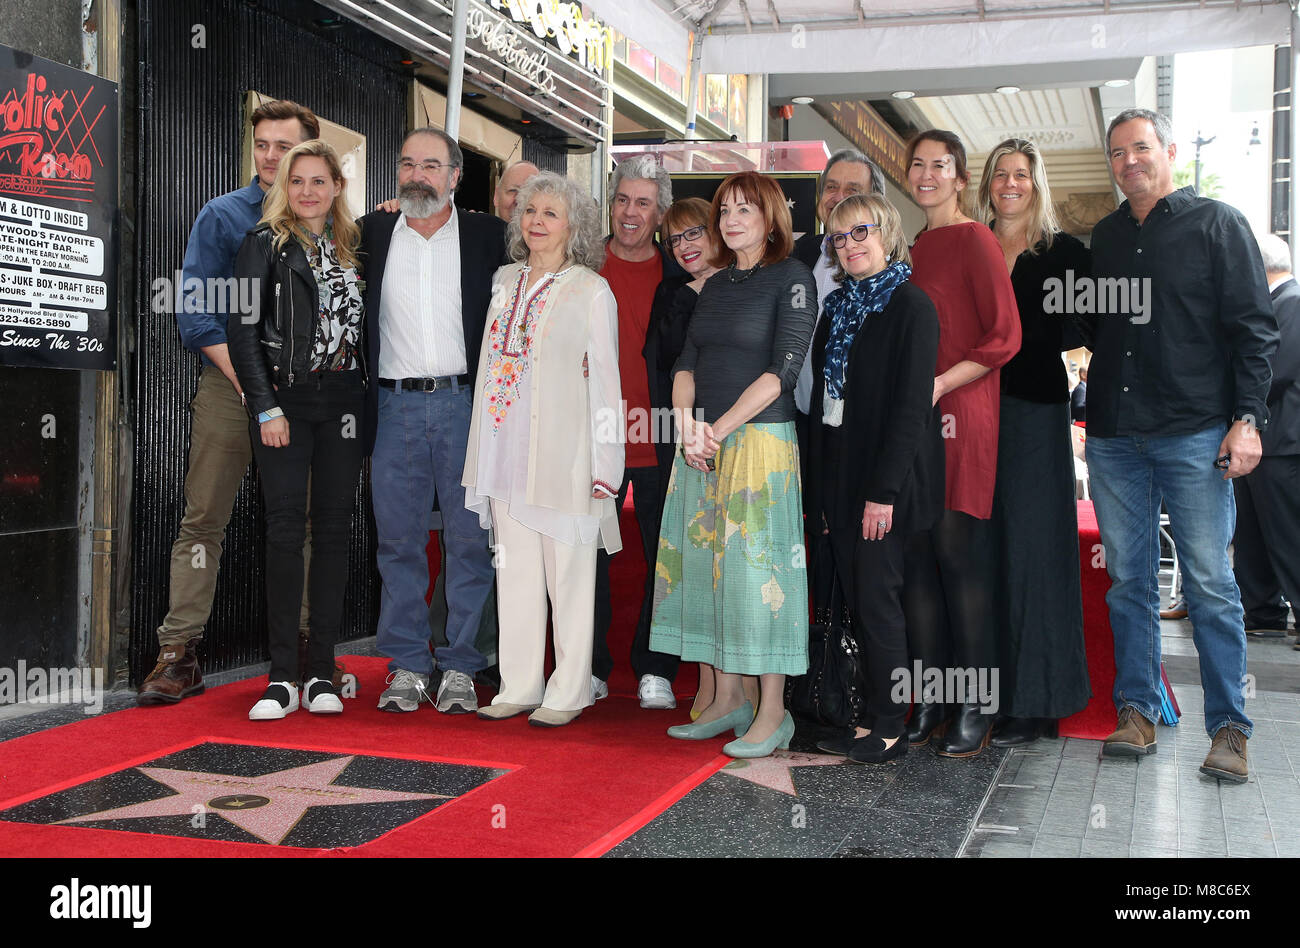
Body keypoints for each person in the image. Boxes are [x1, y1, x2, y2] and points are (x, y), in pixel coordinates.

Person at [1087, 108, 1278, 782]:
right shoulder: (1103, 239)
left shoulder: (1218, 226)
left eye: (1140, 148)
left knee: (1210, 585)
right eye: (1117, 153)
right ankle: (1137, 711)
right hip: (1113, 439)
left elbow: (1255, 330)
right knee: (1129, 582)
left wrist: (1247, 419)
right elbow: (1089, 328)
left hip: (1197, 433)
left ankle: (1230, 729)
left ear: (1168, 150)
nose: (1129, 161)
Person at [139, 100, 320, 705]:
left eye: (283, 146)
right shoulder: (223, 216)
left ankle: (304, 652)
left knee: (301, 521)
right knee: (202, 520)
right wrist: (249, 383)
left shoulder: (326, 219)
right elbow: (194, 310)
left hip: (303, 396)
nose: (270, 156)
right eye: (262, 145)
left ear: (310, 152)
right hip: (230, 387)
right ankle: (179, 653)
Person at [651, 171, 817, 759]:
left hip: (761, 450)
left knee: (758, 581)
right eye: (725, 210)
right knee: (704, 572)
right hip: (703, 446)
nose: (731, 220)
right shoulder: (716, 286)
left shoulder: (793, 279)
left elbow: (782, 374)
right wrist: (687, 425)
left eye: (745, 209)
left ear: (771, 217)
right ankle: (726, 701)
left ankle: (772, 711)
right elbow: (687, 362)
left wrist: (715, 430)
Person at [463, 171, 623, 727]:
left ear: (573, 225)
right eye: (530, 211)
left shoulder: (591, 289)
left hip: (566, 453)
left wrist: (608, 464)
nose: (536, 222)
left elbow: (606, 380)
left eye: (551, 213)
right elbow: (490, 369)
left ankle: (570, 689)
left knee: (570, 575)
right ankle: (519, 683)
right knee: (515, 571)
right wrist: (479, 447)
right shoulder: (504, 280)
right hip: (503, 448)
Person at [359, 128, 508, 715]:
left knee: (470, 541)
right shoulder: (369, 234)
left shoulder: (489, 237)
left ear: (454, 176)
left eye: (431, 165)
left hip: (465, 406)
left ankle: (462, 667)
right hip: (392, 407)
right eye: (407, 163)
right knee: (397, 543)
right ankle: (406, 665)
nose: (417, 174)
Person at [228, 139, 365, 719]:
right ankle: (281, 679)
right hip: (284, 400)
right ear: (285, 186)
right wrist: (265, 406)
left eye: (319, 180)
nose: (308, 191)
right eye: (298, 180)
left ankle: (321, 674)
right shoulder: (261, 244)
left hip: (345, 402)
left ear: (337, 186)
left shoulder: (357, 249)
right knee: (285, 532)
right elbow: (243, 331)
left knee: (334, 533)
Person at [805, 193, 943, 764]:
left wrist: (881, 494)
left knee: (879, 601)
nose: (850, 245)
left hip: (887, 482)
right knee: (856, 601)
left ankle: (891, 722)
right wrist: (817, 491)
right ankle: (866, 714)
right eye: (839, 237)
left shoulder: (913, 307)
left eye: (860, 232)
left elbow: (911, 410)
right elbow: (821, 402)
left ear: (887, 233)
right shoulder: (837, 307)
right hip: (839, 473)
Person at [903, 129, 1021, 757]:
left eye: (939, 166)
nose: (926, 175)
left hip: (963, 412)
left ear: (959, 176)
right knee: (918, 564)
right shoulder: (910, 246)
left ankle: (979, 701)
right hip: (912, 424)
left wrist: (941, 384)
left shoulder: (976, 239)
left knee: (959, 559)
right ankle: (931, 699)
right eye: (917, 165)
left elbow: (1004, 337)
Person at [976, 138, 1091, 746]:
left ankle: (1039, 700)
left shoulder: (1065, 252)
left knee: (1036, 555)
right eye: (1001, 174)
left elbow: (1092, 325)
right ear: (987, 183)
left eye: (1021, 174)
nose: (1011, 183)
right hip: (969, 413)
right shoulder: (971, 244)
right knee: (981, 555)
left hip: (1034, 414)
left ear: (1036, 181)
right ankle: (985, 699)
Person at [645, 197, 758, 721]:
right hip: (690, 441)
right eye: (675, 240)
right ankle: (715, 691)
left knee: (742, 568)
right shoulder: (671, 297)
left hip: (751, 436)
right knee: (696, 566)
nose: (685, 246)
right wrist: (685, 432)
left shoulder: (750, 283)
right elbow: (665, 371)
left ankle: (756, 697)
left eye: (694, 233)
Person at [592, 156, 687, 710]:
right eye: (623, 200)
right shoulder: (582, 263)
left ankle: (656, 669)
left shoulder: (680, 273)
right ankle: (590, 667)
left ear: (661, 211)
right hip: (595, 436)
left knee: (663, 558)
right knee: (589, 558)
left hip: (660, 436)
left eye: (643, 202)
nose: (631, 213)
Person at [1231, 233, 1299, 645]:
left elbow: (1275, 370)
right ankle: (1262, 612)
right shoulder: (1277, 303)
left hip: (1282, 443)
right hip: (1260, 440)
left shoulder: (1290, 301)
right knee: (1254, 533)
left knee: (1288, 533)